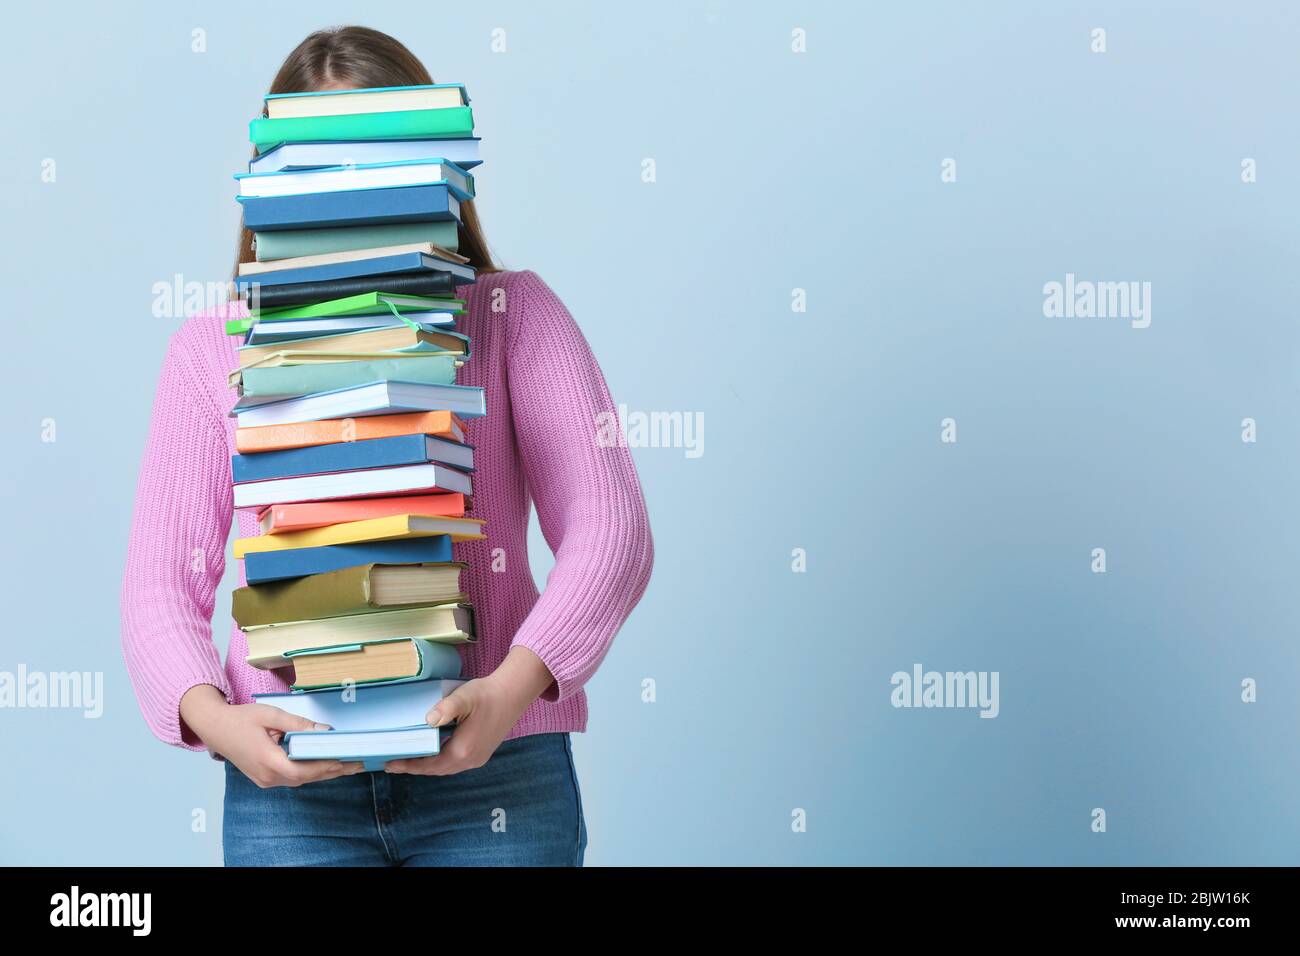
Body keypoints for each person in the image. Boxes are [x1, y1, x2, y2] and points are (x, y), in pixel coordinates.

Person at [120, 25, 653, 866]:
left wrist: (509, 693)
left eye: (376, 168)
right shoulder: (209, 350)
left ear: (434, 177)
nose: (349, 205)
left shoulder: (513, 317)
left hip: (499, 774)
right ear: (271, 191)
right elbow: (159, 582)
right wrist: (221, 724)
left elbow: (612, 531)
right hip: (288, 787)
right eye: (320, 173)